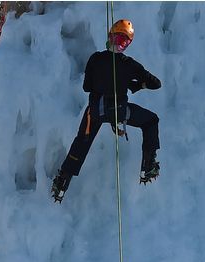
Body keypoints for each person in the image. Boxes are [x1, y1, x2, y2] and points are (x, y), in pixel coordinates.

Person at [52, 19, 162, 201]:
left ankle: (62, 182)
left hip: (95, 111)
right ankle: (147, 167)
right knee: (151, 121)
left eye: (124, 41)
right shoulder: (129, 64)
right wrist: (134, 85)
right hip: (120, 111)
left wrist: (103, 83)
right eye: (122, 40)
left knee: (82, 142)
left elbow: (86, 87)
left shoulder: (95, 59)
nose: (122, 44)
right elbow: (155, 83)